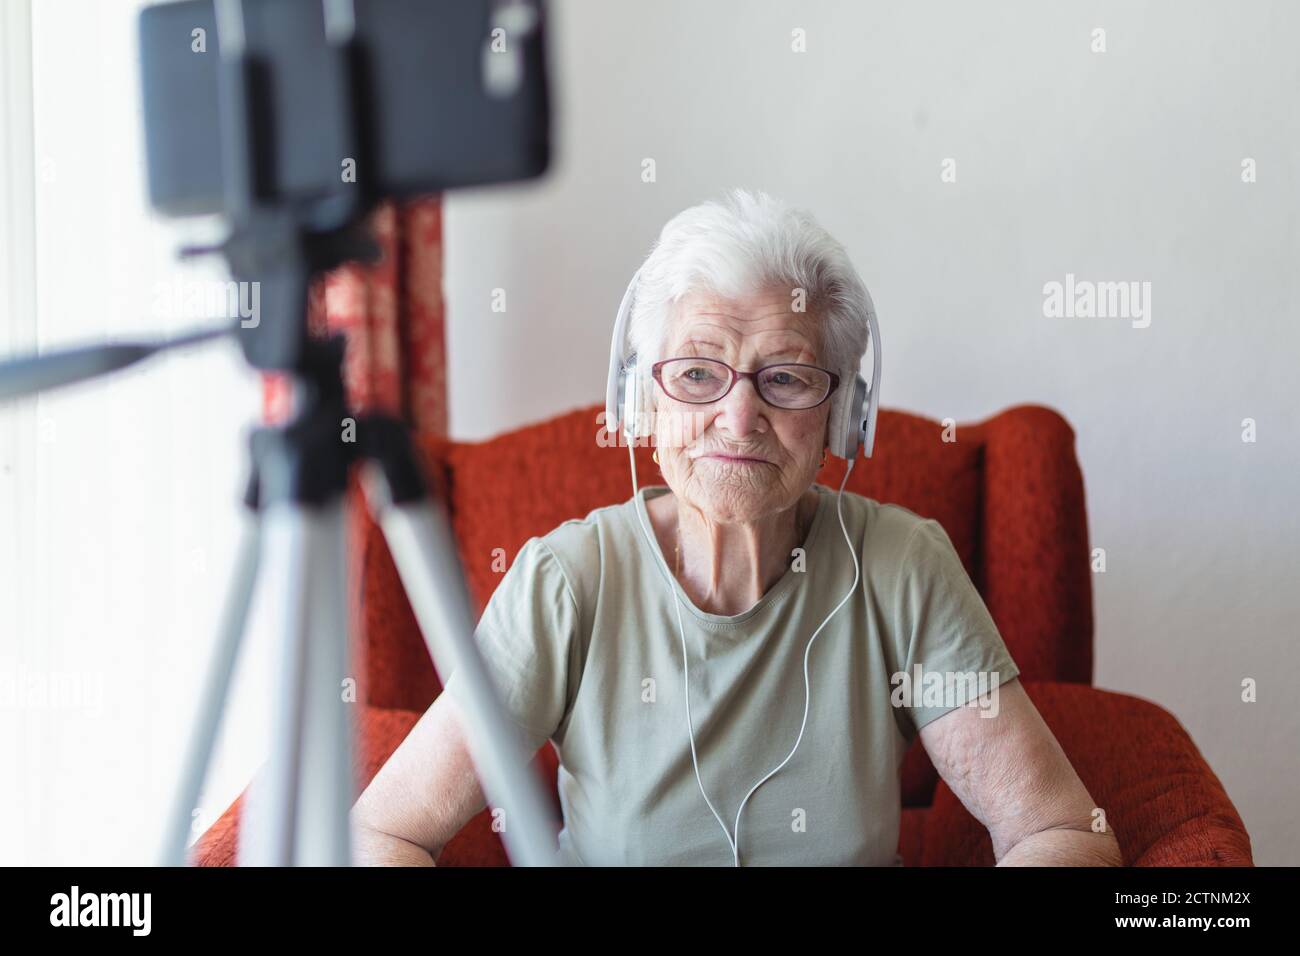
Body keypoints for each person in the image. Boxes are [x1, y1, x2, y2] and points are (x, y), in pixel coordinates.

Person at [350, 188, 1122, 867]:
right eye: (696, 374)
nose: (739, 417)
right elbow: (383, 834)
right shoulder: (566, 582)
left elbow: (1059, 831)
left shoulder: (901, 566)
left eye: (785, 379)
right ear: (640, 407)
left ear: (842, 419)